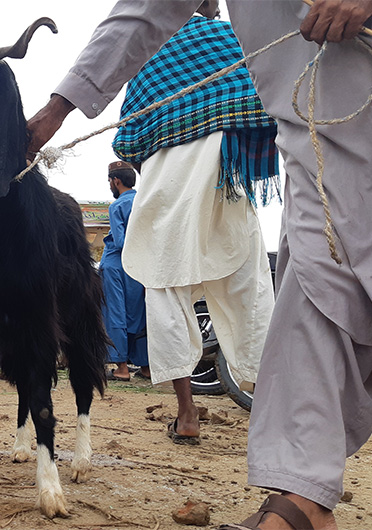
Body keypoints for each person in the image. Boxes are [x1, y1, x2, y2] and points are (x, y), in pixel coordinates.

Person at [28, 1, 372, 528]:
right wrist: (59, 107)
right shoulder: (220, 39)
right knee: (305, 283)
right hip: (282, 152)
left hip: (177, 185)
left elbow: (134, 130)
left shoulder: (170, 54)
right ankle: (301, 499)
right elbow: (145, 15)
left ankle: (189, 414)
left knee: (174, 290)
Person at [101, 161, 148, 382]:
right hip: (140, 264)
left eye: (109, 181)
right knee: (139, 313)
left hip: (116, 264)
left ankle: (121, 367)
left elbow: (120, 241)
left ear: (116, 181)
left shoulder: (117, 206)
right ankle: (146, 366)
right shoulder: (144, 201)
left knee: (115, 312)